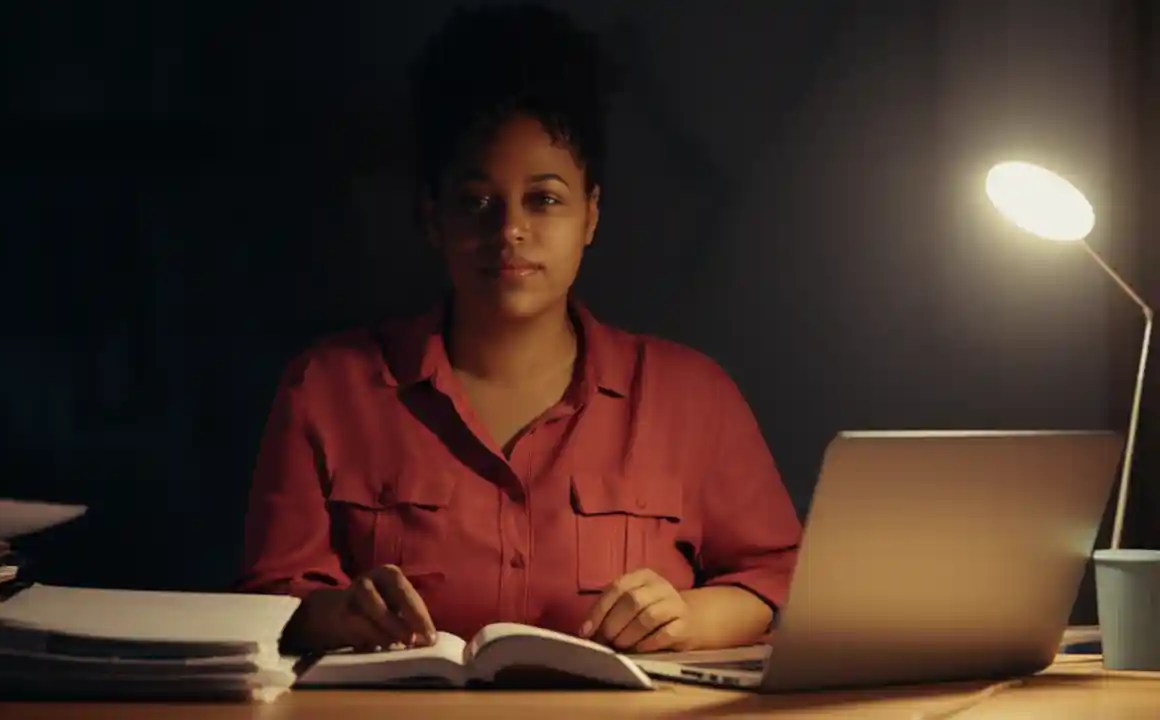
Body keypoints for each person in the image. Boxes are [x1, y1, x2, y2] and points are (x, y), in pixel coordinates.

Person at [238, 5, 800, 655]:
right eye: (477, 201)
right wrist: (337, 615)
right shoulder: (329, 389)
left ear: (590, 213)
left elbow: (776, 579)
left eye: (545, 198)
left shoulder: (690, 396)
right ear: (431, 215)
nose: (508, 230)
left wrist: (688, 616)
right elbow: (267, 604)